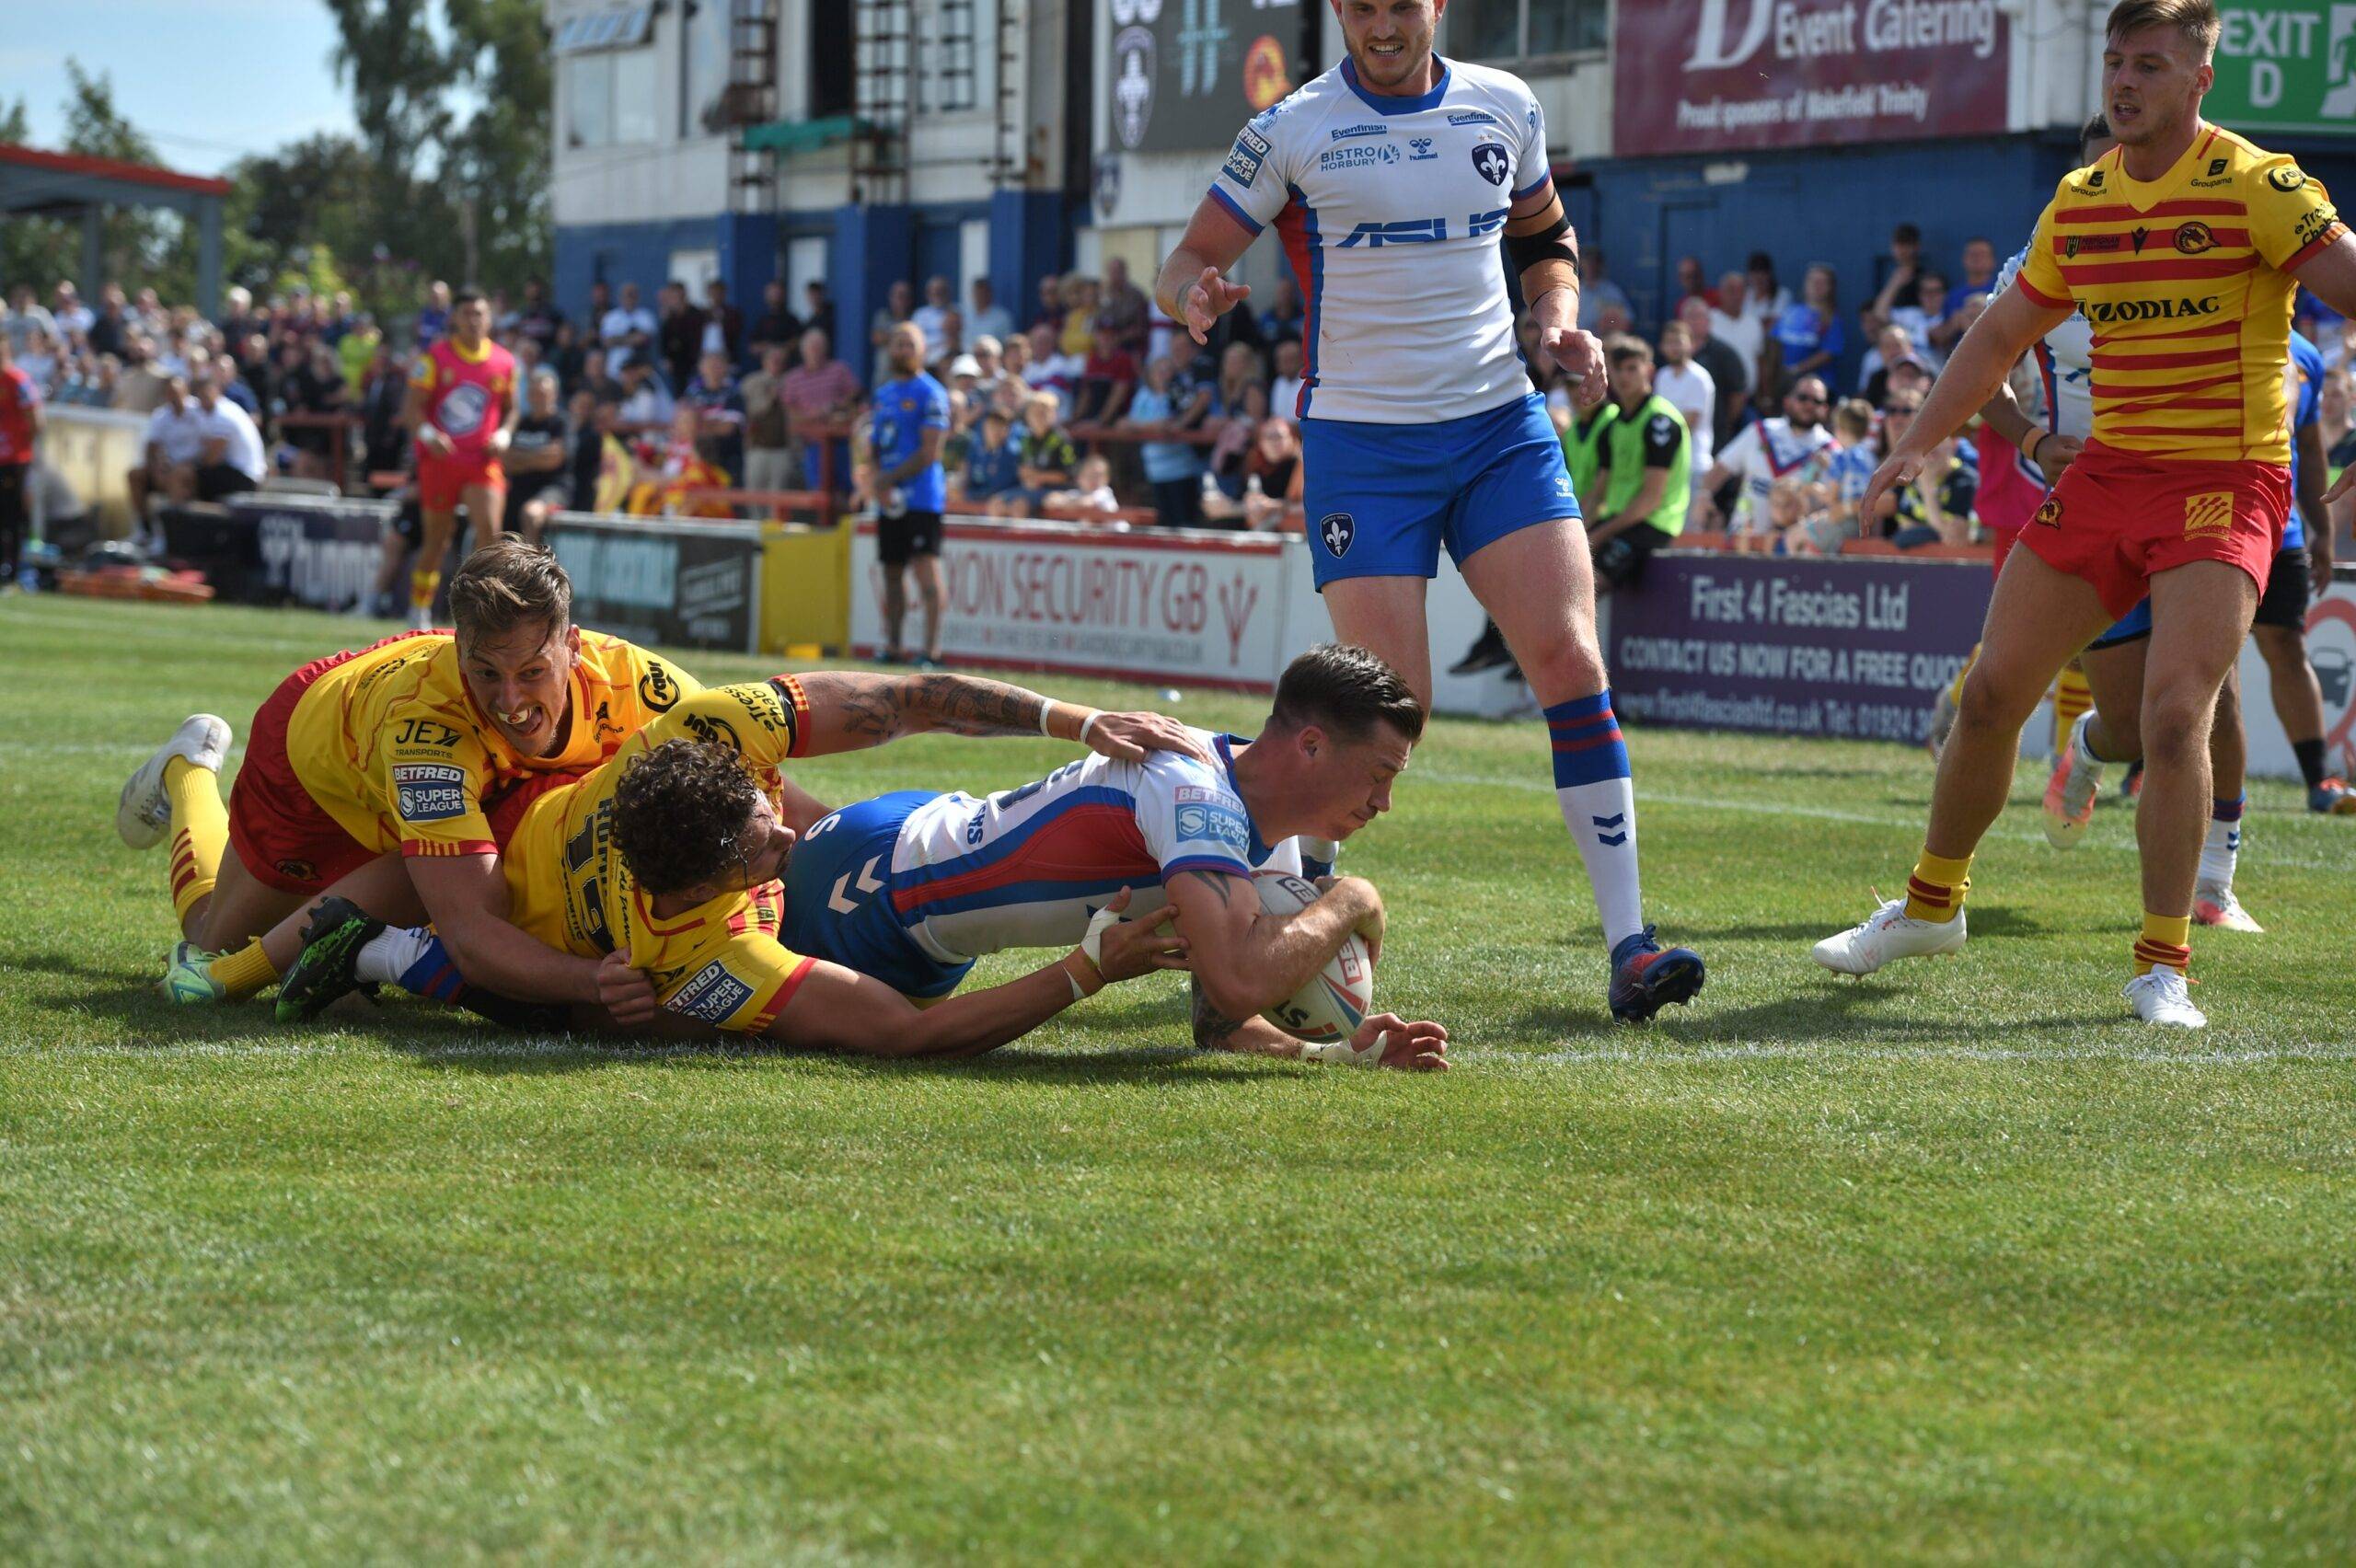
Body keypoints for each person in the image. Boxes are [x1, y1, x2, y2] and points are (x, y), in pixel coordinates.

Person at [1157, 0, 1703, 1020]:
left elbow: (1547, 243)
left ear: (1436, 6)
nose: (1380, 25)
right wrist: (1190, 296)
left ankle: (1630, 946)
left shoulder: (1504, 105)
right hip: (1363, 446)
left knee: (1571, 662)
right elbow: (1185, 258)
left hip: (1498, 425)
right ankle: (1286, 903)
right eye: (1359, 8)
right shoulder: (1292, 127)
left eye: (1398, 6)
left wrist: (1558, 320)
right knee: (1383, 706)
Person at [1819, 0, 2356, 1029]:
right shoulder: (2078, 200)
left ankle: (2163, 965)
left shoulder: (2260, 185)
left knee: (2170, 716)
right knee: (1989, 695)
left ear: (2199, 81)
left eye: (2148, 67)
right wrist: (1916, 439)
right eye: (2114, 63)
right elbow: (1993, 336)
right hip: (2109, 476)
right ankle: (1930, 907)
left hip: (2223, 482)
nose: (2122, 83)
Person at [271, 675, 1253, 1056]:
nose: (786, 835)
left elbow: (911, 697)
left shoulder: (707, 732)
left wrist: (1077, 721)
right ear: (704, 890)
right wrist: (1092, 968)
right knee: (621, 1014)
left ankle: (369, 951)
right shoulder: (705, 949)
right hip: (525, 934)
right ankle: (379, 956)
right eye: (760, 850)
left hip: (529, 821)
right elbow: (917, 1036)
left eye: (765, 807)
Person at [756, 643, 1448, 1067]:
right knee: (689, 942)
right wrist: (1355, 897)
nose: (1382, 802)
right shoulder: (1194, 799)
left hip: (919, 858)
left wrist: (1335, 1051)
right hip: (872, 895)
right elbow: (1238, 983)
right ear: (1312, 745)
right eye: (1379, 773)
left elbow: (1221, 1024)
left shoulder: (1263, 829)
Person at [122, 541, 703, 1019]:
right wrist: (591, 982)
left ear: (573, 649)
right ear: (458, 652)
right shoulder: (426, 734)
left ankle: (366, 953)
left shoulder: (640, 686)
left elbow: (750, 777)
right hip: (320, 766)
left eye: (532, 672)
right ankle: (188, 771)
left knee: (483, 859)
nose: (511, 701)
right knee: (215, 938)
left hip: (412, 741)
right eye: (486, 673)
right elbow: (472, 932)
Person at [402, 287, 520, 628]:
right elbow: (411, 409)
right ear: (454, 318)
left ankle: (485, 611)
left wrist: (505, 433)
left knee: (490, 532)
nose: (474, 320)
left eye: (479, 313)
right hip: (442, 461)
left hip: (482, 462)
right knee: (437, 539)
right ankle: (419, 608)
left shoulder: (504, 362)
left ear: (489, 318)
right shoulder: (434, 358)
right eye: (467, 313)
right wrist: (428, 434)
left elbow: (512, 411)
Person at [1576, 335, 1693, 592]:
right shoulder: (1611, 426)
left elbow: (1650, 499)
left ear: (1649, 371)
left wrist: (1598, 535)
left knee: (1582, 587)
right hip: (1617, 521)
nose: (1624, 376)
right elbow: (1598, 494)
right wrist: (1576, 533)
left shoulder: (1659, 422)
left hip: (1651, 524)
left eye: (1632, 368)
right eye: (1617, 369)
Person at [866, 321, 950, 664]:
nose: (902, 350)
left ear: (923, 351)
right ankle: (894, 645)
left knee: (926, 572)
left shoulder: (931, 393)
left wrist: (888, 479)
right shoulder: (883, 394)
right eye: (897, 343)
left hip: (922, 498)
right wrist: (877, 480)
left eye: (909, 344)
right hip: (890, 500)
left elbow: (931, 452)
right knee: (892, 573)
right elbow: (874, 445)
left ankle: (931, 651)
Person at [1697, 376, 1836, 540]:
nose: (1809, 405)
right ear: (1787, 401)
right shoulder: (1760, 431)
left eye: (1817, 401)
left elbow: (1835, 503)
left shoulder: (1832, 450)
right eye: (1802, 397)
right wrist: (1703, 496)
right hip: (1744, 539)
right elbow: (1722, 467)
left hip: (1796, 547)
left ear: (1826, 408)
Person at [1123, 352, 1209, 525]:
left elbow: (1182, 420)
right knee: (1163, 524)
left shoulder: (1180, 393)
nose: (1163, 374)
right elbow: (1125, 423)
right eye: (1159, 369)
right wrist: (1154, 426)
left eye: (1168, 370)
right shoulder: (1144, 396)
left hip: (1181, 470)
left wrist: (1169, 425)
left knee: (1184, 524)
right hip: (1154, 471)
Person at [1653, 319, 1715, 519]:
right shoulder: (1662, 376)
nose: (1674, 347)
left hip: (1694, 465)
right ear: (1662, 347)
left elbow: (1689, 422)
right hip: (1667, 465)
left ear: (1691, 344)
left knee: (1691, 528)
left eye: (1679, 341)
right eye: (1669, 342)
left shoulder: (1700, 378)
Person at [502, 369, 571, 545]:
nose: (539, 398)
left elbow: (554, 459)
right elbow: (505, 461)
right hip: (517, 487)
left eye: (543, 394)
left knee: (530, 514)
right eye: (534, 394)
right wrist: (537, 457)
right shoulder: (520, 423)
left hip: (552, 488)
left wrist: (520, 457)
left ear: (554, 395)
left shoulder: (562, 422)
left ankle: (531, 568)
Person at [187, 373, 265, 501]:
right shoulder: (220, 410)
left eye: (206, 394)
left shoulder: (224, 415)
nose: (203, 399)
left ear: (216, 391)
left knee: (189, 475)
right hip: (239, 473)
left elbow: (212, 459)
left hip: (245, 477)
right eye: (200, 395)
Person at [0, 334, 39, 586]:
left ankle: (14, 571)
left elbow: (35, 420)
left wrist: (23, 450)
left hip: (14, 459)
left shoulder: (17, 380)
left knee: (13, 516)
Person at [1773, 264, 1845, 395]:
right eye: (1813, 281)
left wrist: (1796, 369)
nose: (1817, 285)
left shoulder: (1833, 319)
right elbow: (1773, 343)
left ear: (1830, 288)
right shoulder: (1790, 312)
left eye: (1822, 282)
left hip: (1818, 390)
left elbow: (1828, 353)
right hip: (1786, 386)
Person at [739, 343, 797, 493]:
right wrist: (771, 396)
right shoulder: (751, 381)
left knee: (778, 496)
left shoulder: (792, 382)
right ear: (764, 361)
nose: (777, 363)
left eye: (781, 360)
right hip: (757, 447)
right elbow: (751, 411)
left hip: (783, 448)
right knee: (754, 493)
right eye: (773, 359)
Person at [950, 408, 1022, 510]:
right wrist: (959, 487)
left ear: (1008, 430)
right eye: (992, 425)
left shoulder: (1012, 453)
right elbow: (967, 477)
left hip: (999, 504)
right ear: (984, 427)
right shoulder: (976, 450)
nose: (995, 430)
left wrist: (967, 495)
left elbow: (997, 489)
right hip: (975, 499)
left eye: (1001, 426)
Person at [599, 282, 656, 373]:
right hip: (615, 366)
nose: (629, 299)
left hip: (639, 366)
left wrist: (617, 339)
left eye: (632, 295)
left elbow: (644, 339)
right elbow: (607, 341)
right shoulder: (611, 317)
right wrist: (632, 338)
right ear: (620, 297)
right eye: (627, 295)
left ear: (637, 297)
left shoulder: (646, 316)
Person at [1575, 248, 1633, 332]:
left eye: (1594, 261)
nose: (1590, 265)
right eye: (1587, 261)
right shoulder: (1573, 291)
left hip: (1603, 343)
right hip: (1576, 342)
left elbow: (1628, 320)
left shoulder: (1612, 292)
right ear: (1580, 263)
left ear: (1600, 265)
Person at [967, 276, 1015, 345]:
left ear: (989, 294)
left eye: (983, 293)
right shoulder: (965, 315)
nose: (980, 296)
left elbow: (1008, 342)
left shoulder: (1002, 318)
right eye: (977, 293)